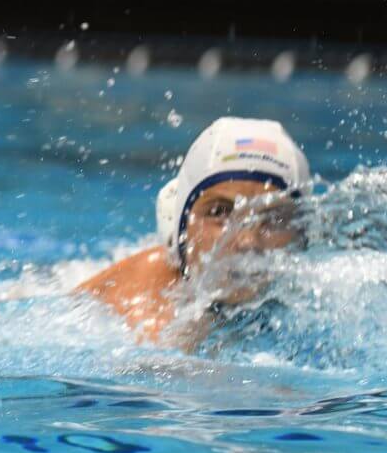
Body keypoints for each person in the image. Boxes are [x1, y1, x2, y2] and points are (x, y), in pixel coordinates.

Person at [77, 116, 311, 342]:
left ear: (301, 236)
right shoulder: (147, 308)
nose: (247, 240)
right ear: (180, 229)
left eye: (274, 218)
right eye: (220, 213)